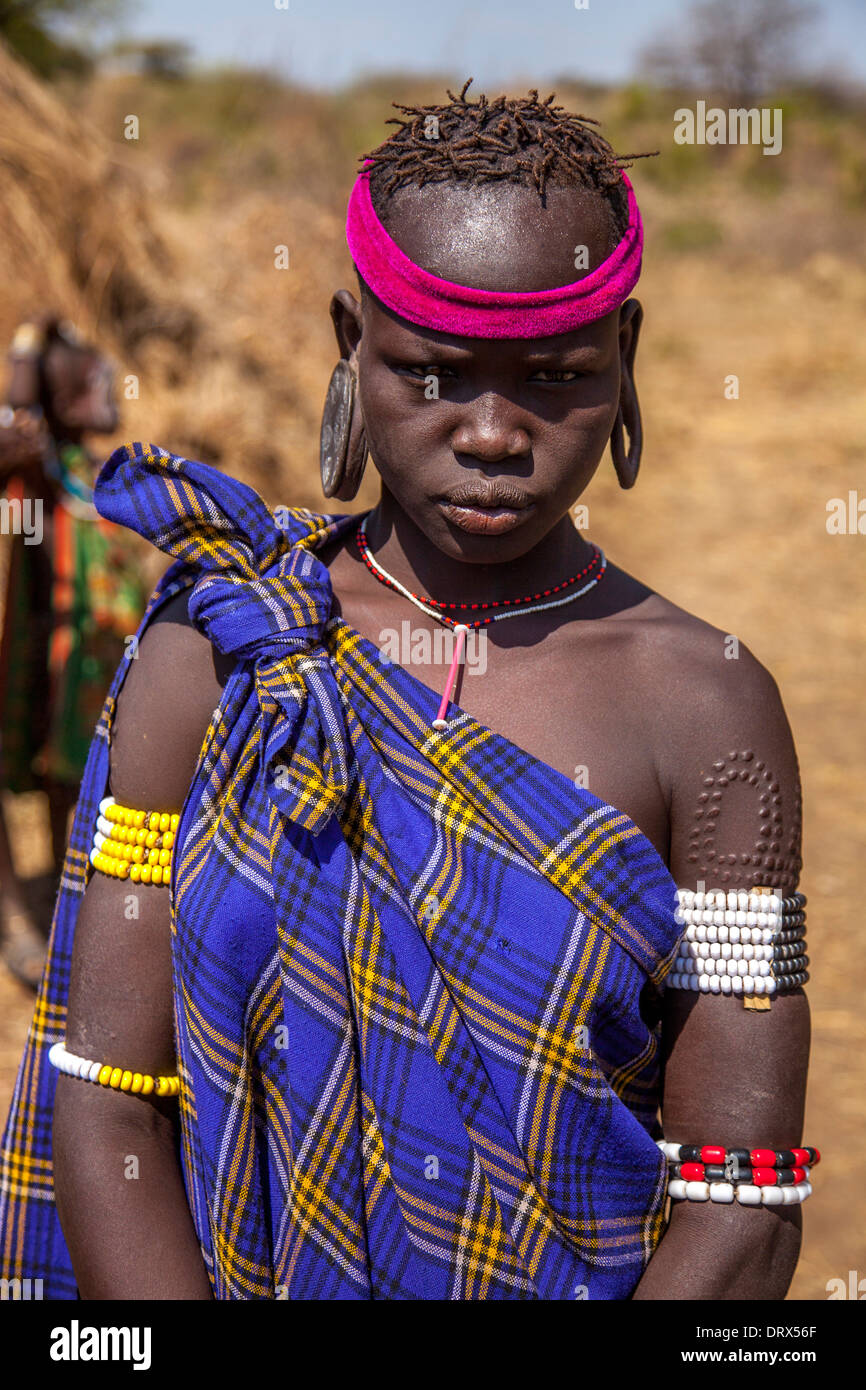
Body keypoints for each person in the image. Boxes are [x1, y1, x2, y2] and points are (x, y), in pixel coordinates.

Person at [0, 83, 814, 1300]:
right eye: (433, 372)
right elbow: (111, 1100)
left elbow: (740, 1198)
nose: (491, 432)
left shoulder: (706, 708)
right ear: (350, 345)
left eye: (554, 374)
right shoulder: (220, 649)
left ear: (624, 357)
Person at [0, 316, 147, 988]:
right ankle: (15, 919)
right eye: (88, 384)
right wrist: (27, 355)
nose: (106, 390)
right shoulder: (22, 477)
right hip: (28, 642)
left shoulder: (89, 481)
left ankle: (71, 902)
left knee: (76, 761)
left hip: (75, 670)